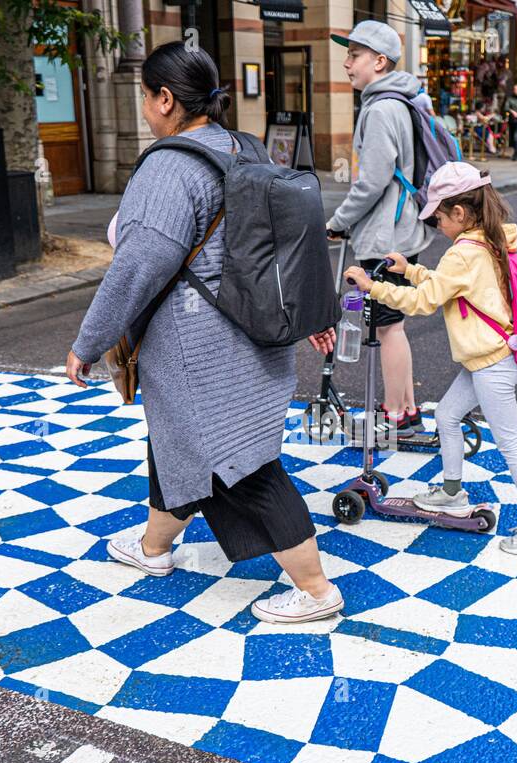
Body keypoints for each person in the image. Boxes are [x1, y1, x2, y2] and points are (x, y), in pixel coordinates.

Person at [66, 42, 343, 625]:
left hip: (202, 348)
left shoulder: (170, 165)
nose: (144, 106)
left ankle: (317, 590)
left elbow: (140, 262)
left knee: (243, 464)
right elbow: (285, 244)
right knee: (178, 441)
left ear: (165, 99)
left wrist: (89, 342)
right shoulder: (244, 146)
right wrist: (314, 314)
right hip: (256, 332)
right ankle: (153, 547)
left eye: (145, 96)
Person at [336, 163, 517, 555]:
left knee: (510, 443)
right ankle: (452, 491)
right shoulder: (487, 241)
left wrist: (374, 288)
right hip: (488, 359)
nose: (436, 224)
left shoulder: (464, 254)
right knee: (445, 417)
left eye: (438, 216)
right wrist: (410, 269)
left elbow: (425, 301)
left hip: (492, 364)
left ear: (459, 213)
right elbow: (446, 285)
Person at [325, 20, 435, 438]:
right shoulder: (400, 101)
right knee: (394, 326)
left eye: (355, 55)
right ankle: (405, 410)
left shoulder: (381, 108)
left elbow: (371, 181)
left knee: (387, 327)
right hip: (402, 232)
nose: (347, 62)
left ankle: (394, 415)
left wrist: (337, 221)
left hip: (386, 237)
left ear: (380, 60)